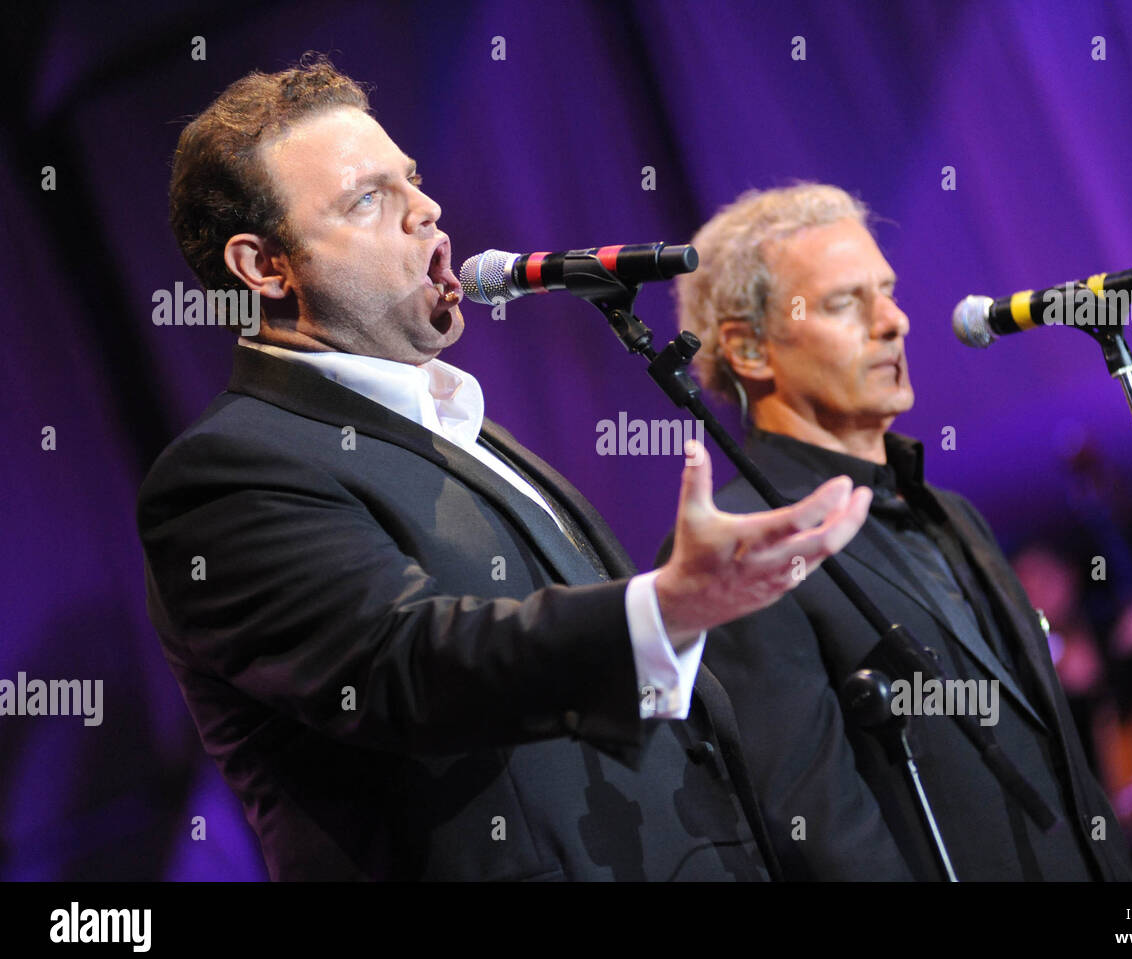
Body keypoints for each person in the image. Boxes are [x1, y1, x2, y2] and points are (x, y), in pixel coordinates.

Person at [137, 59, 871, 881]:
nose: (429, 210)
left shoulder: (460, 422)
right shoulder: (226, 475)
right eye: (369, 198)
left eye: (412, 179)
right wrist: (662, 607)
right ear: (263, 267)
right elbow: (406, 663)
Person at [671, 183, 1132, 880]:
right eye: (844, 303)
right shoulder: (747, 543)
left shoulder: (950, 512)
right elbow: (817, 830)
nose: (894, 321)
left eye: (885, 291)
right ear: (750, 350)